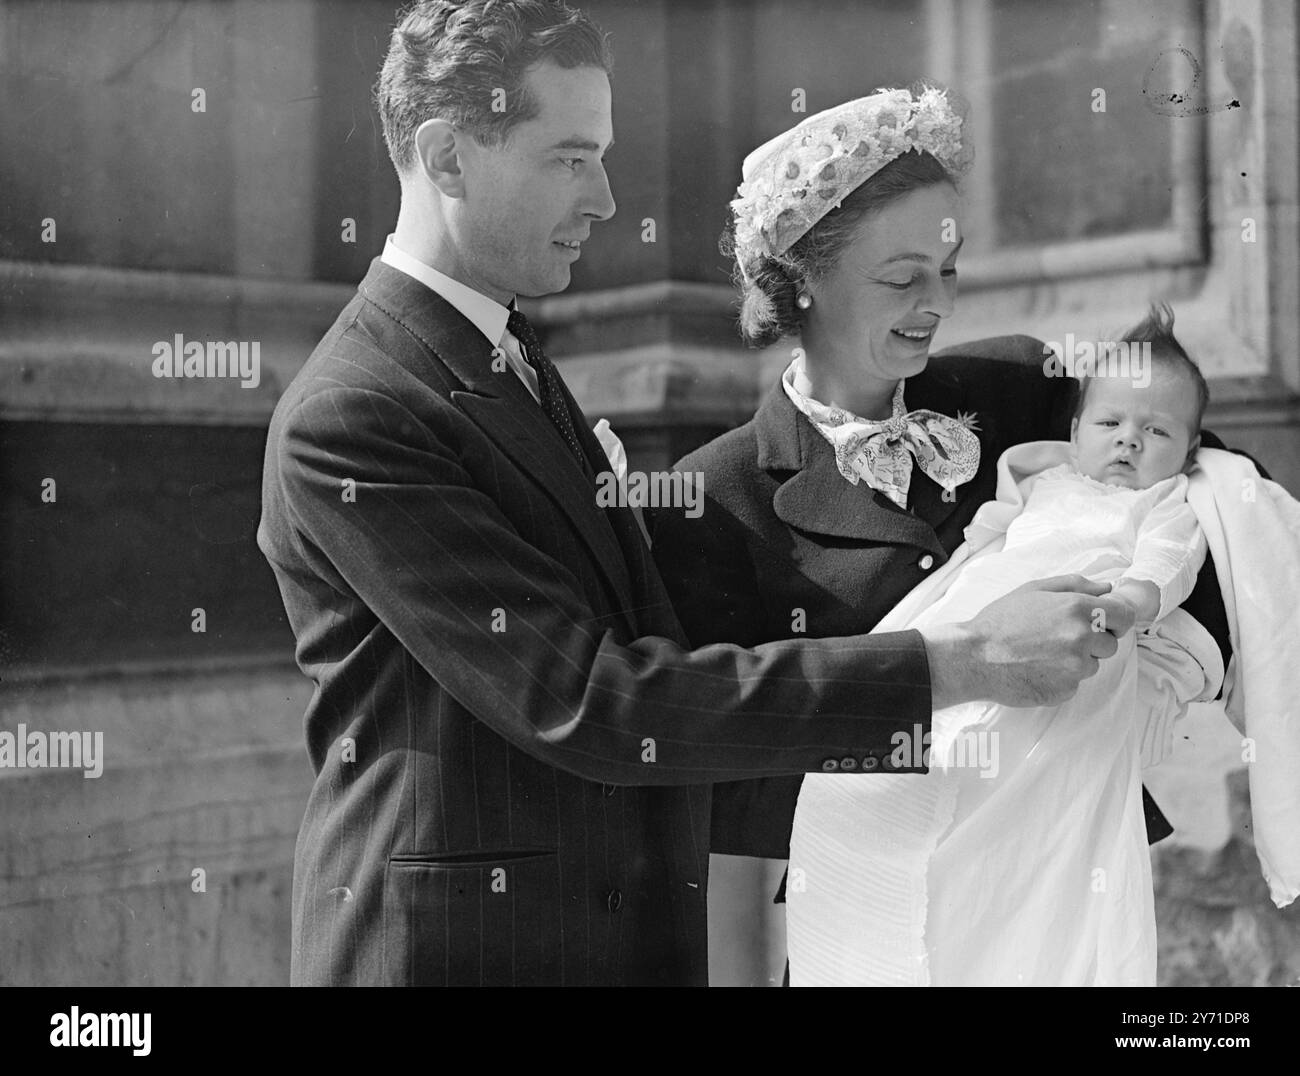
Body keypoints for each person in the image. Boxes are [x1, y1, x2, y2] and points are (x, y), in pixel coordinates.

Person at [256, 2, 1123, 987]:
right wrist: (956, 664)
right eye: (570, 158)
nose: (609, 198)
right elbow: (593, 699)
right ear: (448, 157)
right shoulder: (358, 410)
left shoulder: (504, 353)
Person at [650, 86, 1254, 986]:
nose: (937, 305)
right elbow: (733, 773)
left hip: (1058, 873)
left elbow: (1207, 473)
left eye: (951, 269)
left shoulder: (1013, 385)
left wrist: (1174, 661)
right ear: (802, 280)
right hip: (869, 917)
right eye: (902, 279)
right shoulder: (712, 493)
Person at [788, 307, 1230, 985]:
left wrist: (1130, 602)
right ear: (1076, 430)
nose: (1130, 443)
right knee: (903, 748)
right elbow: (988, 535)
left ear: (1190, 453)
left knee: (1020, 790)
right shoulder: (1044, 480)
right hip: (983, 610)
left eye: (1157, 431)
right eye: (1110, 424)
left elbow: (1168, 564)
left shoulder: (1162, 503)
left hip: (1075, 629)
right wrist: (967, 571)